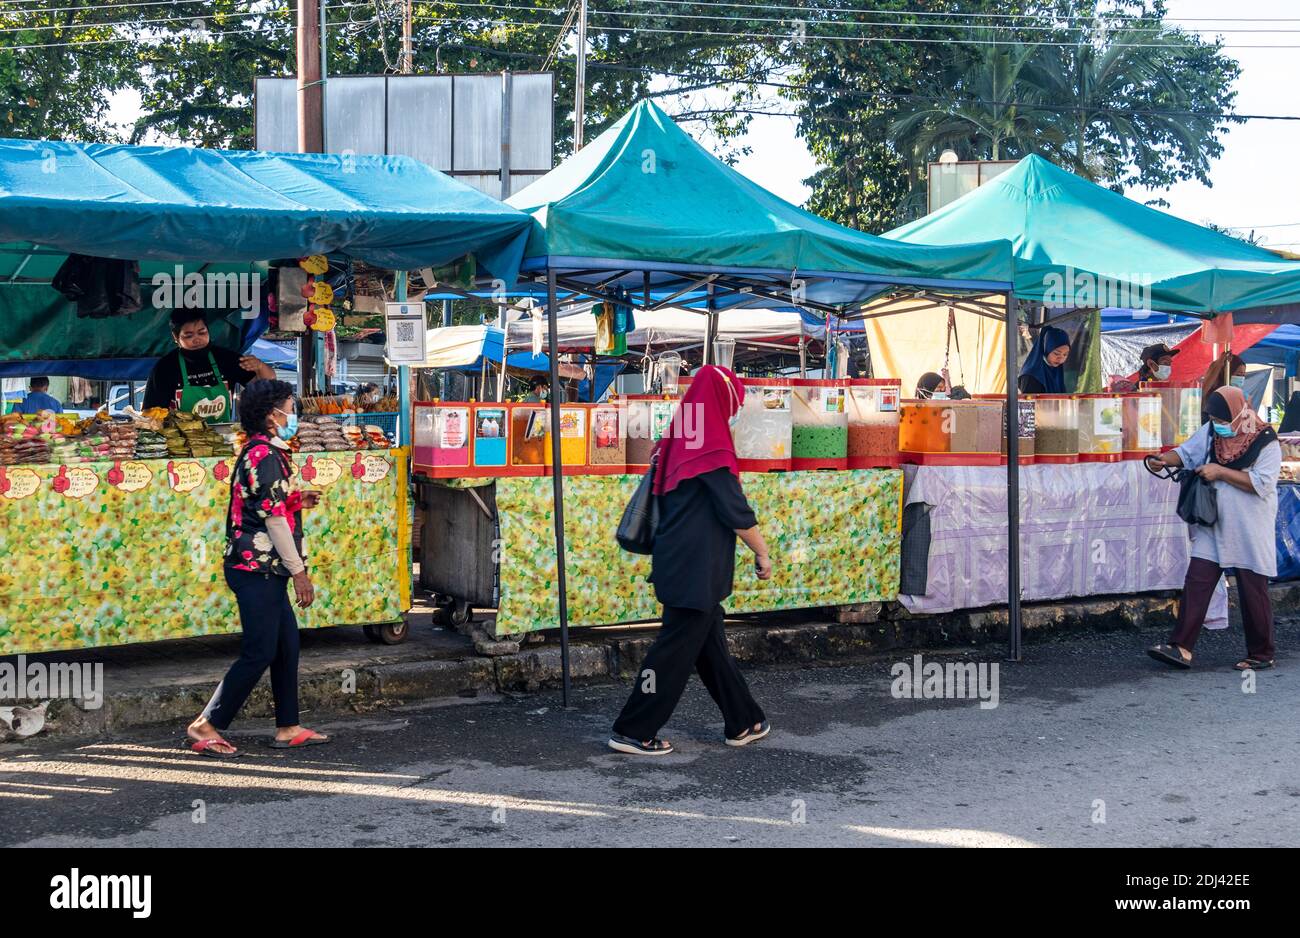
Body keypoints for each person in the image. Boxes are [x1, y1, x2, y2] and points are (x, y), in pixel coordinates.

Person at [609, 365, 773, 756]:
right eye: (732, 400)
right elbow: (736, 511)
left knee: (709, 645)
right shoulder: (712, 449)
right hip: (696, 570)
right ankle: (633, 729)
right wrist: (763, 552)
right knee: (671, 654)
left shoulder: (678, 439)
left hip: (681, 564)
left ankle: (743, 720)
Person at [185, 379, 328, 756]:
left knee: (286, 646)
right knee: (260, 650)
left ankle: (288, 726)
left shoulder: (262, 450)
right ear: (271, 415)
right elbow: (273, 520)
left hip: (260, 566)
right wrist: (299, 572)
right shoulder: (266, 455)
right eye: (289, 408)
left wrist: (295, 499)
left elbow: (265, 504)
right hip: (256, 568)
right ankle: (206, 724)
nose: (292, 415)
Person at [1146, 386, 1280, 671]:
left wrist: (1220, 472)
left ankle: (1261, 653)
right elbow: (1186, 453)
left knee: (1252, 589)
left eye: (1222, 420)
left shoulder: (1267, 440)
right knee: (1197, 580)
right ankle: (1181, 647)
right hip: (1214, 521)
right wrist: (1161, 460)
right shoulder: (1211, 432)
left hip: (1249, 525)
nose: (1218, 425)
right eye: (1214, 420)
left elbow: (1262, 483)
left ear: (1239, 413)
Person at [143, 309, 273, 421]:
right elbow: (150, 414)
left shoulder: (226, 358)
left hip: (223, 440)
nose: (197, 339)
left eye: (202, 332)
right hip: (181, 446)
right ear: (176, 337)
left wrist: (260, 367)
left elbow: (269, 385)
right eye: (189, 336)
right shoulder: (165, 367)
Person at [1018, 325, 1071, 395]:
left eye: (1065, 354)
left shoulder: (1056, 370)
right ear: (1046, 349)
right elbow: (1029, 403)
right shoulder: (1030, 376)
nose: (1061, 358)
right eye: (1056, 353)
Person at [1109, 342, 1180, 393]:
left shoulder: (1161, 388)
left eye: (1169, 363)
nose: (1168, 367)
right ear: (1151, 364)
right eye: (1165, 363)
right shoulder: (1138, 390)